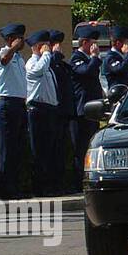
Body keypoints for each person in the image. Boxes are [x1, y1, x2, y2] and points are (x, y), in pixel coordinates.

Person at [68, 28, 105, 193]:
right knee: (81, 148)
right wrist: (95, 57)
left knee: (90, 146)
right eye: (92, 42)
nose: (94, 45)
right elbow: (86, 72)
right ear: (84, 43)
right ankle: (77, 182)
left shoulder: (89, 59)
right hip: (82, 110)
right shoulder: (76, 58)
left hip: (92, 110)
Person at [0, 22, 28, 198]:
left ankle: (15, 186)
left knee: (18, 148)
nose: (22, 41)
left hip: (20, 105)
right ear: (10, 39)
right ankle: (6, 189)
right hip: (7, 105)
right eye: (19, 38)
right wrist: (12, 47)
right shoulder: (3, 54)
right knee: (7, 149)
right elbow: (4, 60)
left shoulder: (19, 58)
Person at [24, 30, 59, 197]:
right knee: (39, 150)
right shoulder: (32, 63)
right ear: (38, 46)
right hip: (37, 111)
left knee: (50, 150)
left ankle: (51, 184)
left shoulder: (47, 65)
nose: (49, 49)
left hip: (49, 110)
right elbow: (38, 70)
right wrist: (46, 54)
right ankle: (40, 187)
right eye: (45, 45)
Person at [48, 30, 73, 194]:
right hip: (53, 113)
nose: (58, 48)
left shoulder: (61, 64)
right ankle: (53, 185)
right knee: (52, 150)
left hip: (64, 113)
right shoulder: (47, 63)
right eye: (54, 45)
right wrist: (54, 55)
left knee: (62, 151)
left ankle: (62, 183)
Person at [103, 27, 128, 91]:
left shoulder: (125, 57)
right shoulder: (111, 57)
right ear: (118, 43)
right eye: (127, 43)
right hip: (117, 94)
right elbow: (121, 69)